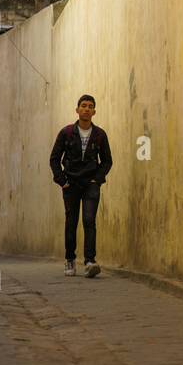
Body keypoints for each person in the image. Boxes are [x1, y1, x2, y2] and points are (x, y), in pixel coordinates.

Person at [49, 95, 112, 277]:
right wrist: (62, 180)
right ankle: (70, 259)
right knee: (71, 221)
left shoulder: (100, 135)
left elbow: (107, 161)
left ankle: (90, 261)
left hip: (91, 184)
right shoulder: (66, 133)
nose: (86, 109)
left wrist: (97, 179)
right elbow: (54, 159)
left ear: (94, 112)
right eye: (83, 106)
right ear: (77, 110)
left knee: (89, 220)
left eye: (90, 106)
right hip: (71, 184)